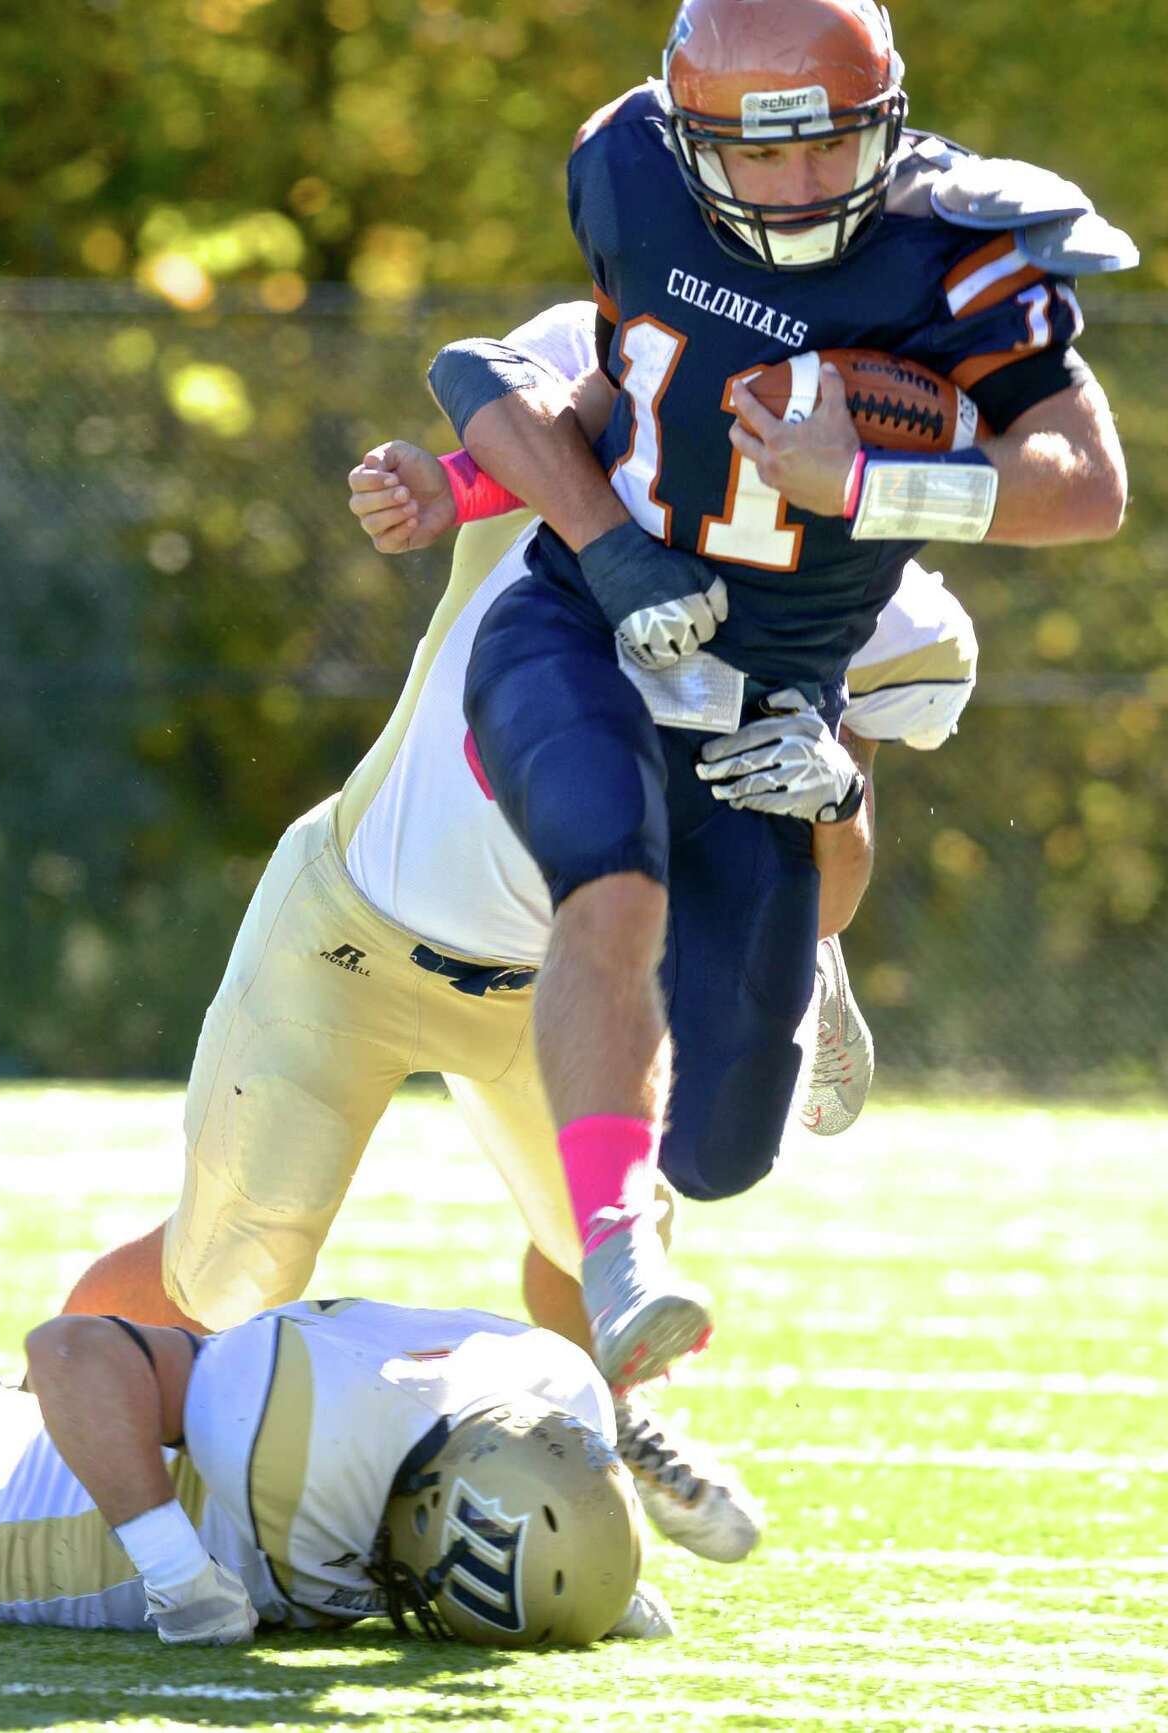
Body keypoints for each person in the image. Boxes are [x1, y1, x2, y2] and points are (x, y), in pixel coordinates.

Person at [58, 298, 975, 1572]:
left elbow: (837, 878)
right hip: (356, 931)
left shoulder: (884, 599)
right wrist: (431, 487)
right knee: (226, 1267)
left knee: (607, 1239)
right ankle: (51, 1422)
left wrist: (831, 795)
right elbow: (486, 431)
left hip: (561, 985)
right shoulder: (612, 398)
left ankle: (623, 1414)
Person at [420, 0, 1133, 1392]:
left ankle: (797, 956)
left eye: (834, 149)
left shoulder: (959, 247)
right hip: (582, 622)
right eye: (760, 155)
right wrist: (504, 490)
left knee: (727, 1152)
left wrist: (864, 484)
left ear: (890, 117)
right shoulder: (622, 163)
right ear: (687, 137)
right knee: (607, 887)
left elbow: (1088, 489)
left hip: (780, 680)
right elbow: (608, 392)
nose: (802, 187)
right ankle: (619, 1247)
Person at [0, 1299, 665, 1645]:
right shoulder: (297, 1431)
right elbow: (69, 1351)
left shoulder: (565, 1397)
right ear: (429, 1515)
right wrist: (178, 1573)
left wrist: (597, 1583)